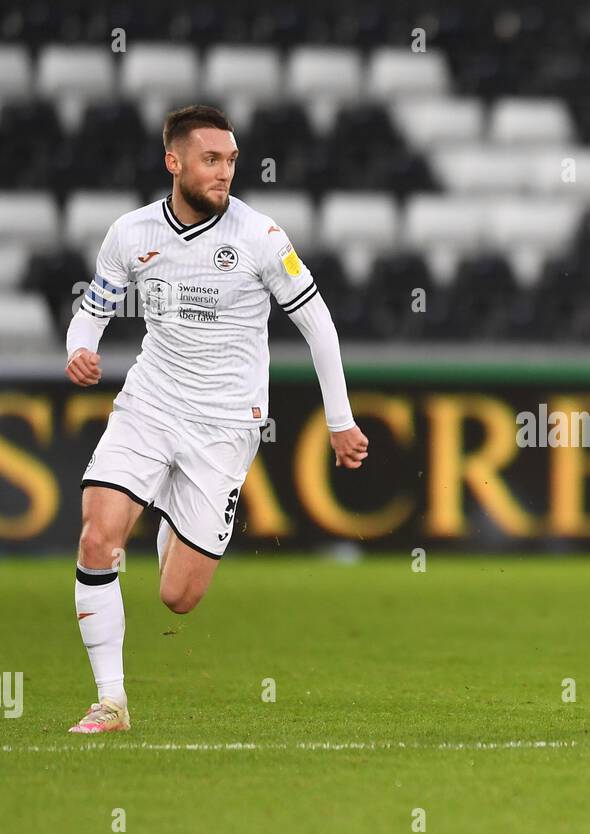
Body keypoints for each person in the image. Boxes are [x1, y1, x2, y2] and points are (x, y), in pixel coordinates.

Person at [64, 105, 368, 733]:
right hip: (149, 404)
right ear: (173, 162)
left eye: (231, 159)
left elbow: (318, 327)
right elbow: (94, 307)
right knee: (97, 536)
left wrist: (339, 420)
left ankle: (172, 514)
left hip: (225, 425)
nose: (225, 171)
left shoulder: (260, 238)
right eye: (211, 159)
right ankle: (111, 702)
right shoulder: (131, 233)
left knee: (179, 597)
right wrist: (79, 348)